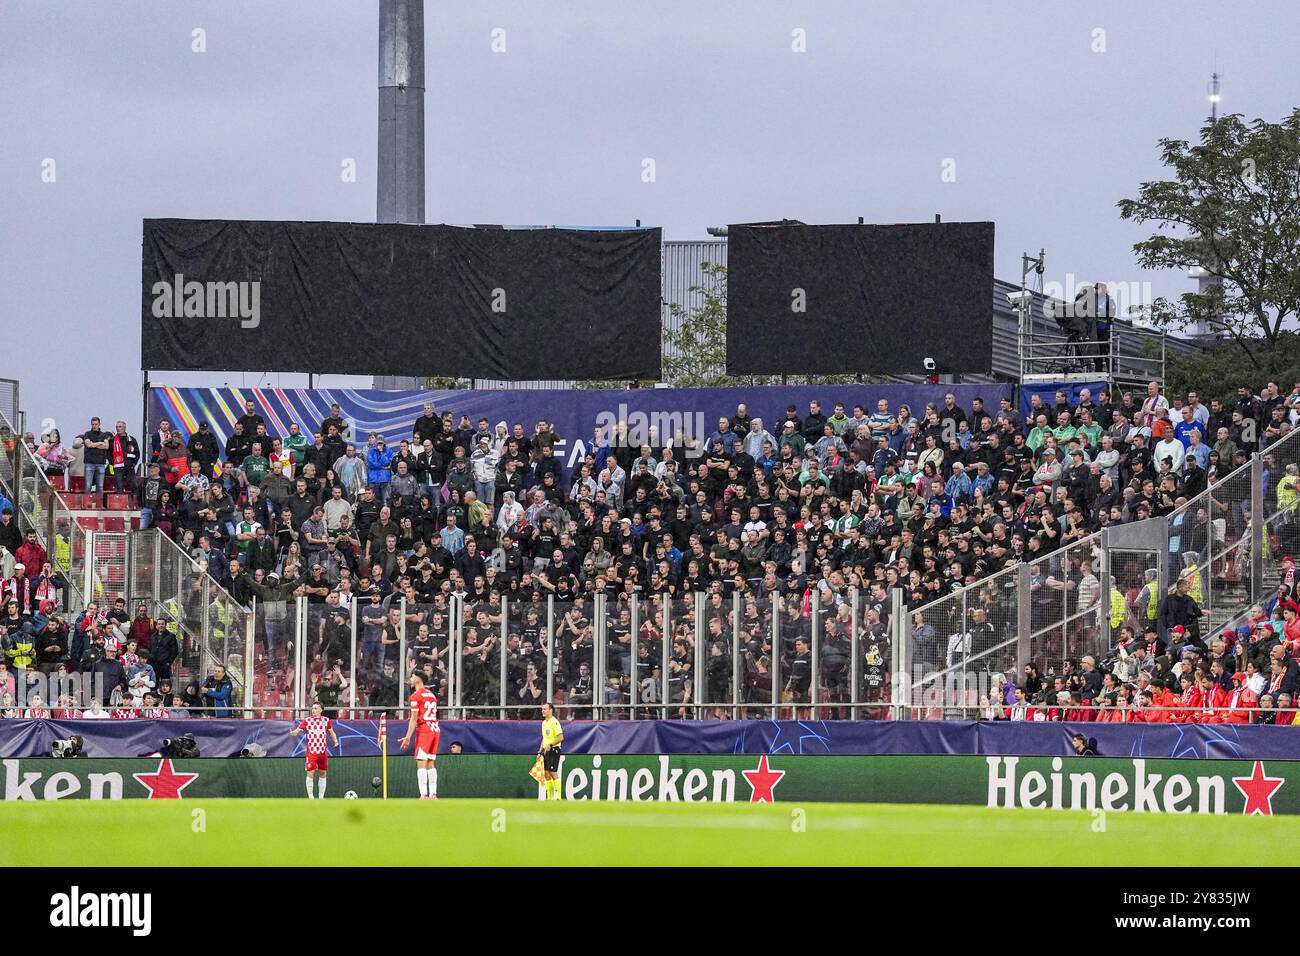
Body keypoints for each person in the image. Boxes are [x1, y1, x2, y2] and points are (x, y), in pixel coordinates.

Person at [399, 669, 440, 800]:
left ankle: (423, 795)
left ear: (418, 679)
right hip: (435, 728)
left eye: (412, 676)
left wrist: (408, 737)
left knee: (421, 761)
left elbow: (414, 718)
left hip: (425, 729)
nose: (410, 679)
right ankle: (433, 794)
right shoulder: (432, 695)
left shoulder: (415, 696)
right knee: (431, 762)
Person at [289, 701, 340, 799]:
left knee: (323, 773)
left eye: (316, 708)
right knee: (310, 772)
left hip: (322, 752)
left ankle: (321, 797)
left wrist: (335, 741)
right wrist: (294, 732)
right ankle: (311, 797)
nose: (313, 710)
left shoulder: (326, 720)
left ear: (321, 710)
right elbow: (298, 730)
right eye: (312, 708)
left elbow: (331, 732)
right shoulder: (307, 720)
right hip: (311, 752)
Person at [539, 700, 564, 800]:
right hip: (546, 750)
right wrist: (540, 751)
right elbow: (544, 738)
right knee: (546, 773)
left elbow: (561, 737)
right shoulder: (544, 723)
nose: (543, 711)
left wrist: (550, 744)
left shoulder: (554, 722)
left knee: (553, 772)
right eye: (542, 709)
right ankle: (549, 798)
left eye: (545, 709)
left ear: (550, 710)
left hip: (554, 749)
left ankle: (558, 797)